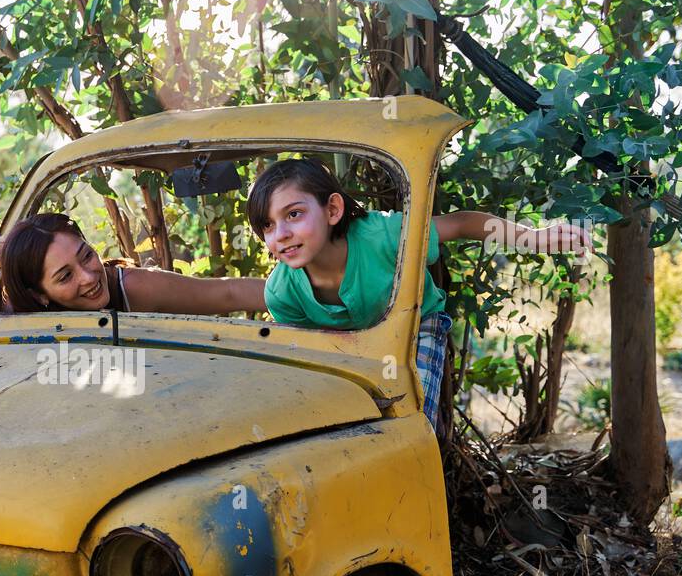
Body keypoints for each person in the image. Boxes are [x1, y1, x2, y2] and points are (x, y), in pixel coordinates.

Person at [247, 157, 593, 433]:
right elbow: (305, 357)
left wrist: (535, 238)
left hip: (416, 326)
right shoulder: (283, 292)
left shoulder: (384, 236)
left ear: (333, 210)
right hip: (349, 344)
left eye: (293, 214)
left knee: (410, 421)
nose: (281, 234)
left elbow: (458, 224)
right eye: (267, 225)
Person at [0, 212, 267, 348]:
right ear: (39, 293)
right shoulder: (8, 318)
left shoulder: (130, 287)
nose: (90, 277)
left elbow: (227, 293)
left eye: (86, 255)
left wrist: (309, 294)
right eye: (64, 276)